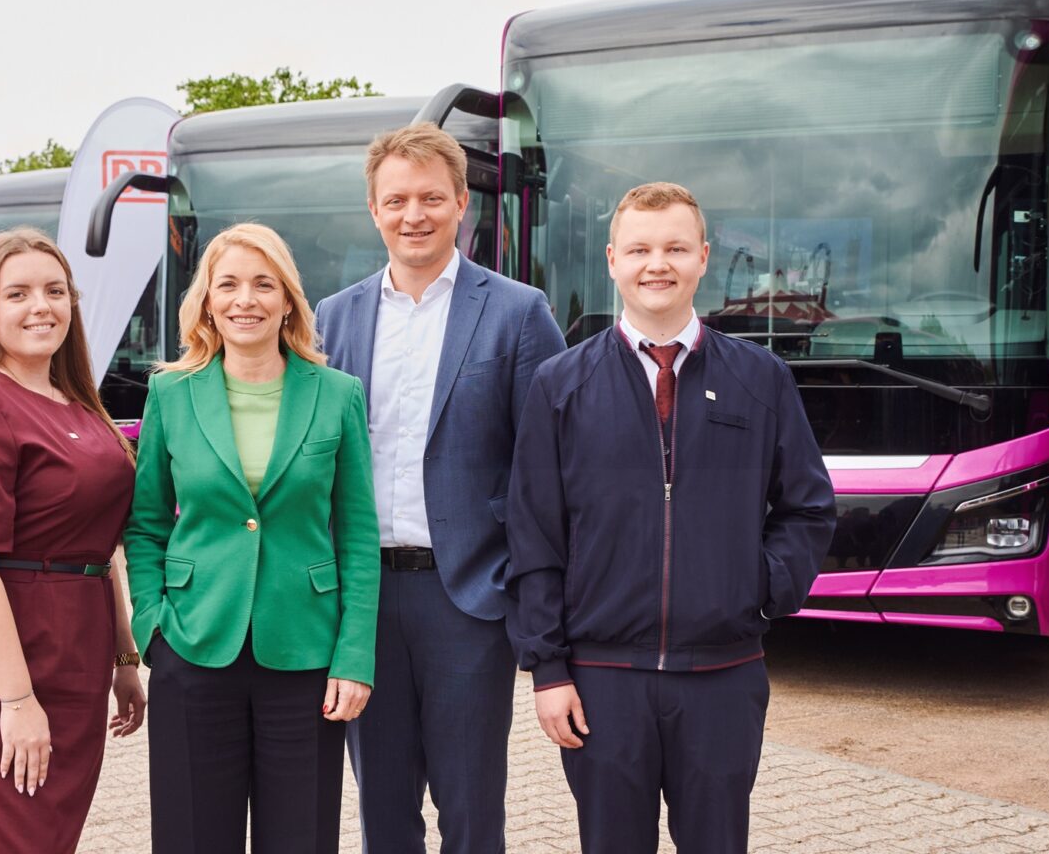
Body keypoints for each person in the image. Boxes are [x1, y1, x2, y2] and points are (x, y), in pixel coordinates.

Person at [506, 182, 836, 854]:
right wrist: (548, 669)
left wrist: (760, 587)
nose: (657, 264)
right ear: (612, 261)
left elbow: (808, 507)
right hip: (601, 680)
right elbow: (534, 534)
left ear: (703, 257)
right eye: (639, 250)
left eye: (676, 248)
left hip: (723, 676)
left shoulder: (761, 379)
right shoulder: (560, 385)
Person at [315, 122, 566, 853]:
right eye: (396, 200)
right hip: (364, 601)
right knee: (383, 810)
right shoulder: (333, 317)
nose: (413, 215)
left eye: (430, 198)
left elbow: (549, 466)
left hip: (469, 600)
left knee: (470, 810)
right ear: (373, 210)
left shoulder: (519, 311)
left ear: (462, 204)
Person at [126, 223, 380, 853]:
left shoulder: (337, 394)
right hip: (192, 645)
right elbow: (147, 522)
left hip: (304, 653)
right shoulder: (170, 392)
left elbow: (357, 537)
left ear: (287, 300)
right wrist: (151, 627)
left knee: (300, 838)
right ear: (207, 301)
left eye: (264, 285)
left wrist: (353, 657)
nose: (246, 299)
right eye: (229, 285)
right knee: (192, 838)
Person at [0, 228, 146, 854]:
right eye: (17, 293)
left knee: (47, 831)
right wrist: (16, 700)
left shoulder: (76, 402)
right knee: (2, 830)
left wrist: (124, 660)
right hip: (2, 643)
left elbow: (98, 547)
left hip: (76, 640)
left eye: (55, 291)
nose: (41, 306)